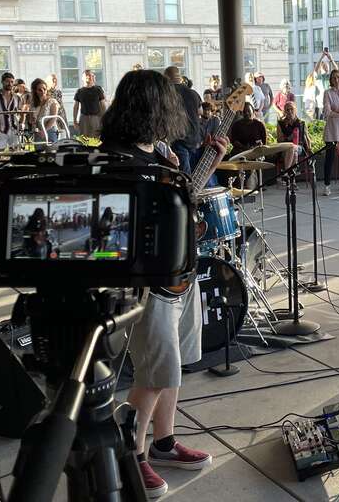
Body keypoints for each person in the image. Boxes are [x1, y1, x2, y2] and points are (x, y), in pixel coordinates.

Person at [99, 69, 226, 499]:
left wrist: (197, 166)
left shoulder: (156, 151)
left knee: (171, 368)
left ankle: (164, 442)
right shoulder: (118, 158)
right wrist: (168, 176)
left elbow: (181, 200)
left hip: (178, 273)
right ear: (152, 107)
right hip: (146, 282)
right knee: (154, 371)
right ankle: (132, 456)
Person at [165, 66, 202, 174]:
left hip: (178, 139)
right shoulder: (193, 93)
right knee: (196, 175)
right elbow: (200, 112)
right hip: (195, 139)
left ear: (167, 78)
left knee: (184, 177)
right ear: (180, 78)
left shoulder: (167, 94)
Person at [0, 71, 21, 150]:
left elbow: (21, 113)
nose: (10, 84)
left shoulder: (17, 98)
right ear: (2, 82)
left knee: (16, 157)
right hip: (1, 130)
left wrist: (21, 124)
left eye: (12, 82)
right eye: (7, 81)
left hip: (14, 131)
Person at [276, 101, 312, 169]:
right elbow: (279, 140)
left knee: (293, 148)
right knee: (293, 152)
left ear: (295, 110)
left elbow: (307, 138)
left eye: (291, 109)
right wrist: (289, 138)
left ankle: (286, 172)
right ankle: (291, 174)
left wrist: (309, 150)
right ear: (285, 112)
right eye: (287, 110)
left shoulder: (301, 123)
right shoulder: (281, 124)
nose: (289, 111)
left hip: (299, 148)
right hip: (285, 148)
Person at [73, 69, 106, 138]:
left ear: (93, 77)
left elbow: (103, 105)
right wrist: (75, 121)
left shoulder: (98, 90)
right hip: (83, 118)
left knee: (96, 139)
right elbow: (75, 107)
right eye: (86, 75)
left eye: (90, 75)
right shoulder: (79, 91)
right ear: (82, 78)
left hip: (96, 118)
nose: (89, 77)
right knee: (84, 140)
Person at [27, 78, 61, 143]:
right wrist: (32, 120)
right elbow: (31, 120)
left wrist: (44, 130)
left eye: (44, 89)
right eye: (39, 89)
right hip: (38, 132)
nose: (43, 91)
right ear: (35, 91)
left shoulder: (52, 102)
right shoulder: (33, 104)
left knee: (51, 152)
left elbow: (53, 119)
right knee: (38, 152)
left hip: (50, 131)